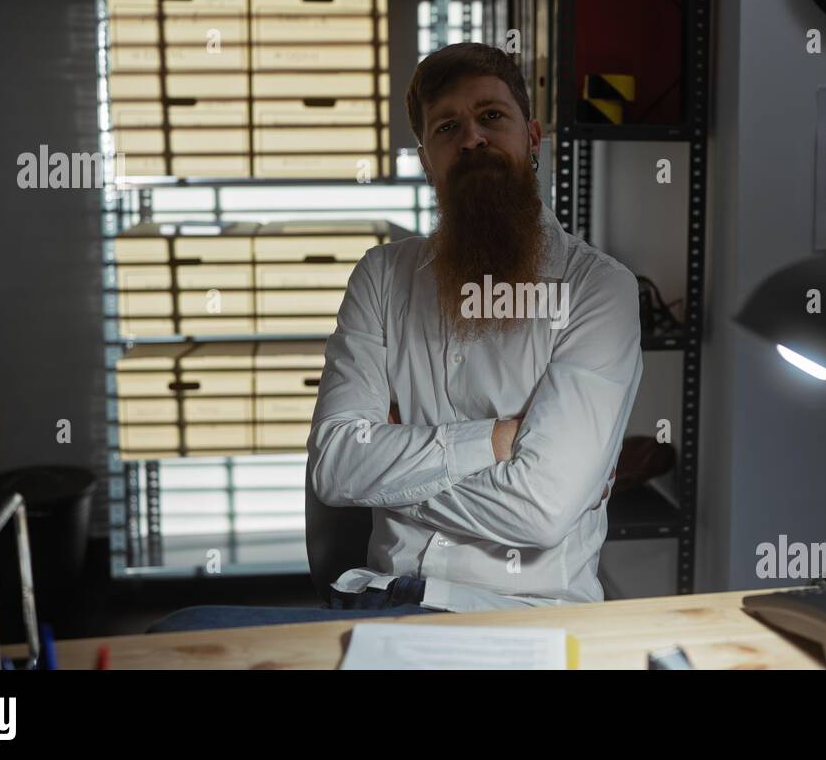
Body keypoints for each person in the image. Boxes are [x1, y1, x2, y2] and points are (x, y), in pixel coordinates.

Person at [148, 43, 641, 633]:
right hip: (381, 601)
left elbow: (541, 510)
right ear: (426, 159)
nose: (472, 139)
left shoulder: (599, 289)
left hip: (527, 615)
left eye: (492, 117)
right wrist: (493, 441)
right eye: (447, 127)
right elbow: (333, 464)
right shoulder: (381, 276)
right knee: (181, 630)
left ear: (532, 137)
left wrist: (386, 468)